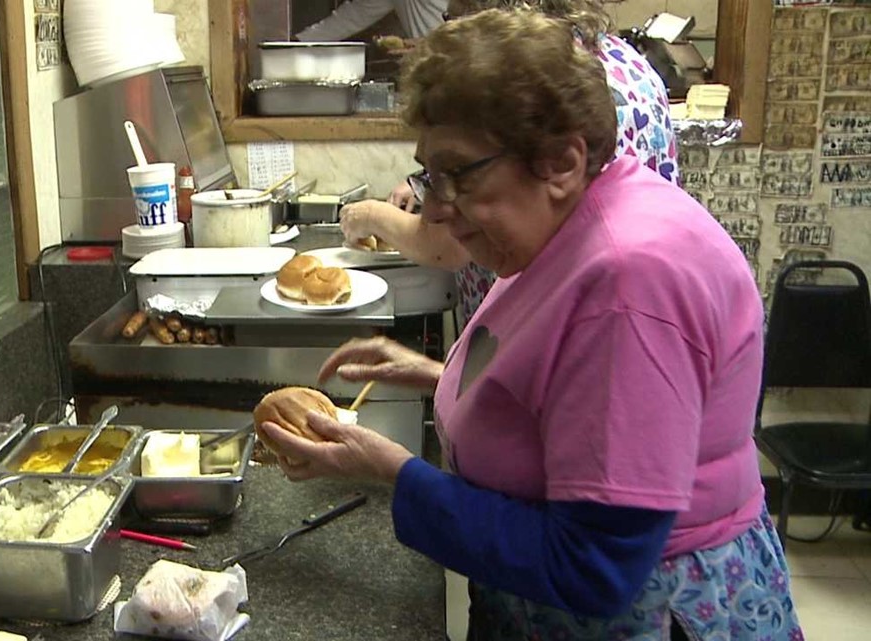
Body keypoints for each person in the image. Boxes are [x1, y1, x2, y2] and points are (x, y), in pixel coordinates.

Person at [258, 9, 801, 640]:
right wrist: (439, 375)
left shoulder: (628, 281)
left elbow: (594, 566)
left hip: (651, 617)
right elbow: (579, 393)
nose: (434, 208)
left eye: (457, 174)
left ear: (561, 161)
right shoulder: (565, 224)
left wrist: (391, 471)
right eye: (429, 175)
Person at [340, 0, 678, 327]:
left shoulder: (615, 311)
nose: (432, 212)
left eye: (455, 17)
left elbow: (446, 247)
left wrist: (370, 215)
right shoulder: (627, 61)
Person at [295, 0, 449, 42]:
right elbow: (354, 16)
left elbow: (472, 25)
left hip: (464, 66)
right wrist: (299, 41)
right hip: (431, 74)